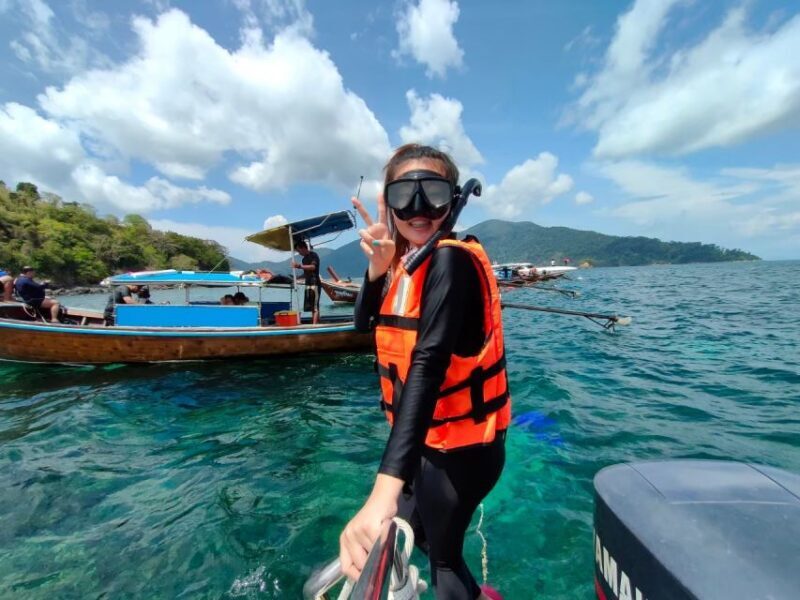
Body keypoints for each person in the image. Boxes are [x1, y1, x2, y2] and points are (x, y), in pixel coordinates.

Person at [341, 144, 510, 600]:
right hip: (427, 443)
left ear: (454, 200)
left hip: (461, 453)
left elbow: (428, 365)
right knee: (424, 536)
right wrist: (376, 270)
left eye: (431, 192)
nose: (417, 209)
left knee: (443, 559)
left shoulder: (451, 262)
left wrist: (381, 493)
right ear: (389, 203)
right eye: (403, 196)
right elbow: (363, 324)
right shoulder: (405, 263)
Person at [291, 240, 320, 324]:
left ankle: (314, 326)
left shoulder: (314, 255)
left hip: (315, 283)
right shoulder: (304, 259)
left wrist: (299, 266)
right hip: (308, 283)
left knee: (315, 306)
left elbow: (313, 267)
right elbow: (306, 273)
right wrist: (297, 277)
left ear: (303, 248)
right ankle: (316, 322)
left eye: (298, 250)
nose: (298, 253)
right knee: (311, 305)